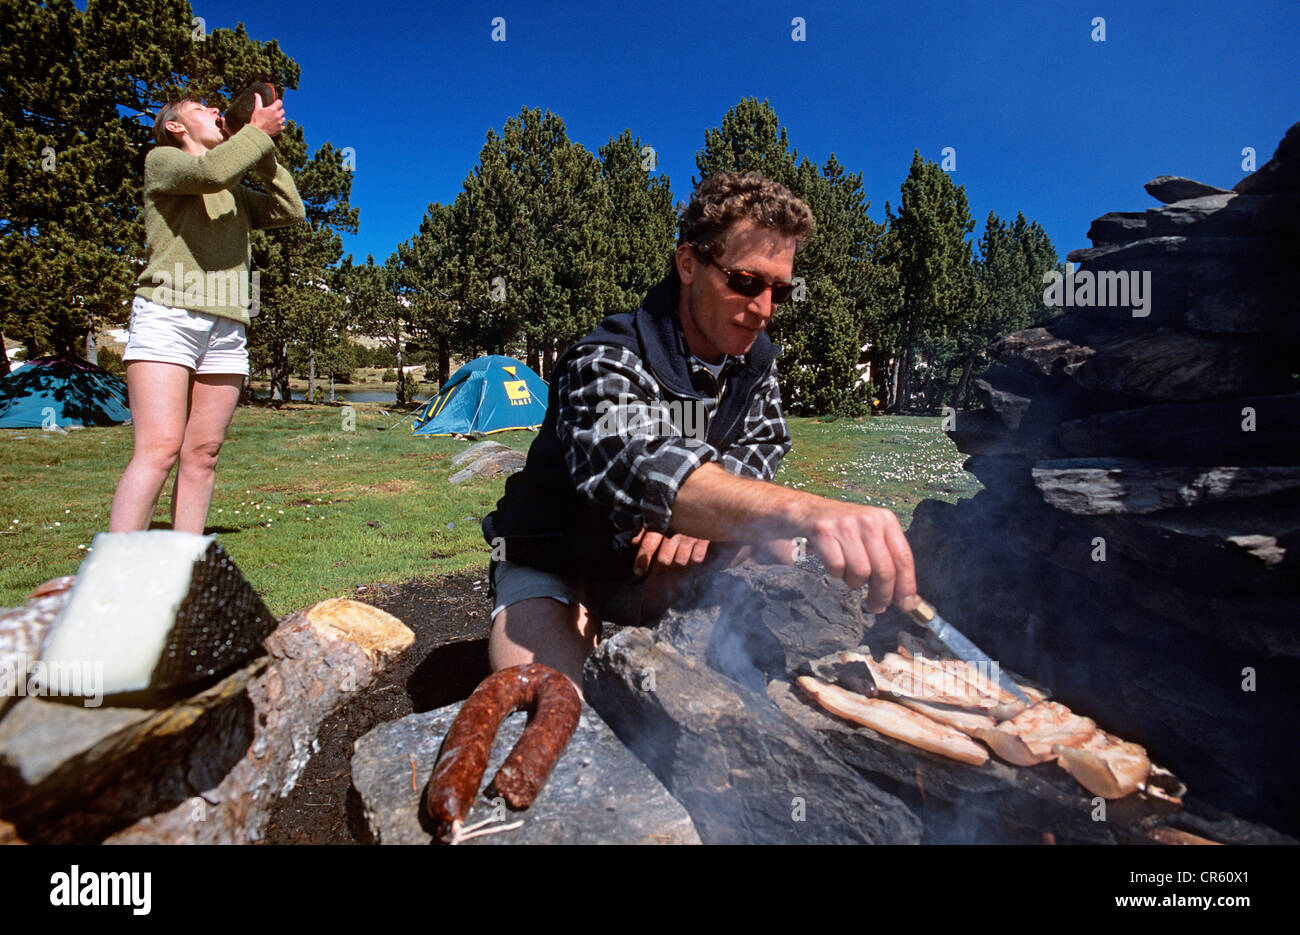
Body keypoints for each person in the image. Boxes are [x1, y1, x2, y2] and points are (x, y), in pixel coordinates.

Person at [482, 171, 917, 690]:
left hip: (657, 562)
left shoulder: (755, 363)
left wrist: (705, 514)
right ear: (688, 264)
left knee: (780, 550)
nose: (762, 311)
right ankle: (578, 626)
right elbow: (636, 461)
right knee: (561, 701)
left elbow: (764, 443)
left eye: (779, 291)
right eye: (745, 282)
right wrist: (801, 509)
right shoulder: (605, 356)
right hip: (560, 557)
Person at [108, 92, 305, 533]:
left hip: (227, 324)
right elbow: (211, 172)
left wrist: (265, 152)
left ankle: (184, 561)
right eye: (201, 110)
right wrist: (256, 132)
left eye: (217, 110)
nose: (215, 113)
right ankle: (115, 571)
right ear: (176, 126)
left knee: (204, 452)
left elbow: (289, 210)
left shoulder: (234, 191)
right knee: (159, 449)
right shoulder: (163, 161)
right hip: (168, 314)